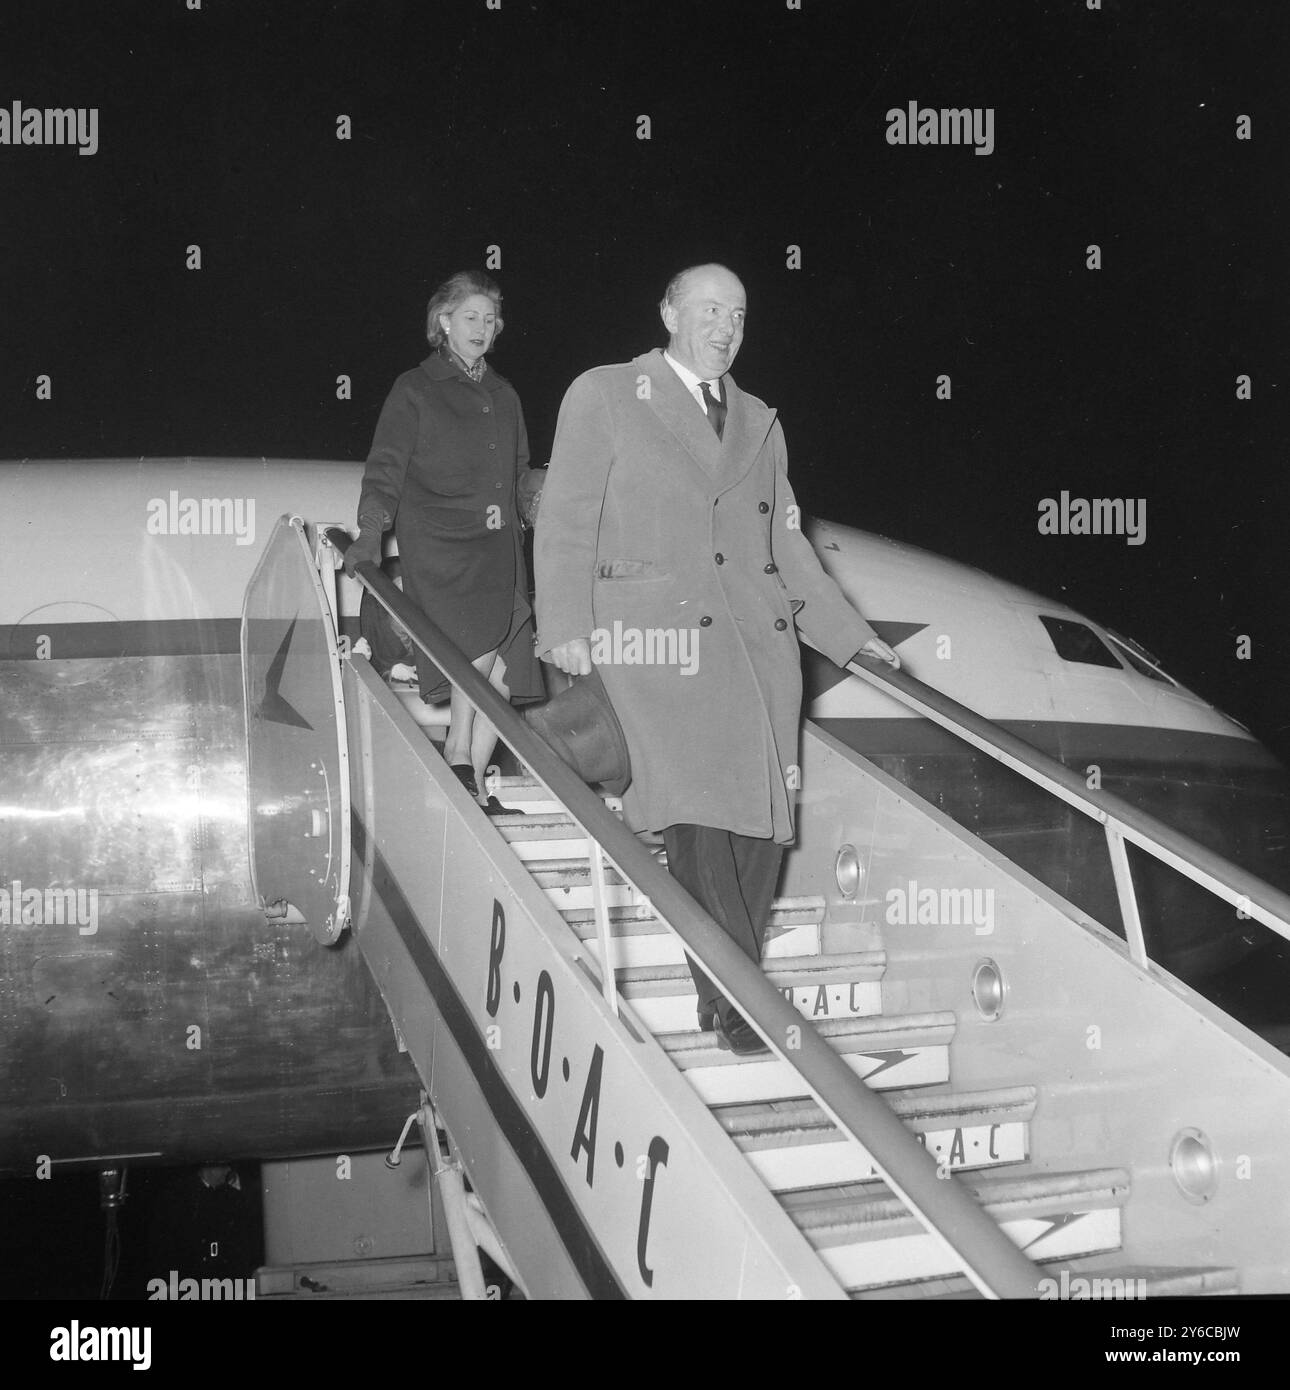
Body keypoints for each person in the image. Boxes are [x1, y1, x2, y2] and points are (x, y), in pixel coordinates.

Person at [534, 263, 898, 1053]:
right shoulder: (604, 393)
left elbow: (786, 547)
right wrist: (563, 621)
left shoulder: (760, 421)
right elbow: (564, 515)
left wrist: (849, 635)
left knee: (762, 831)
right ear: (667, 310)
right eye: (708, 309)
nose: (725, 326)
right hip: (654, 647)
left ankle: (725, 993)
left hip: (754, 650)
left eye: (737, 313)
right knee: (697, 818)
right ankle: (741, 1004)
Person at [345, 271, 544, 813]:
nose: (483, 327)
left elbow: (521, 470)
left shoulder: (505, 394)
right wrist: (369, 531)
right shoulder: (415, 387)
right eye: (471, 316)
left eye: (490, 318)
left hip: (499, 543)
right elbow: (385, 467)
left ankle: (473, 787)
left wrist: (541, 508)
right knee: (476, 646)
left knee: (504, 667)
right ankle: (456, 755)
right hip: (443, 538)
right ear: (444, 322)